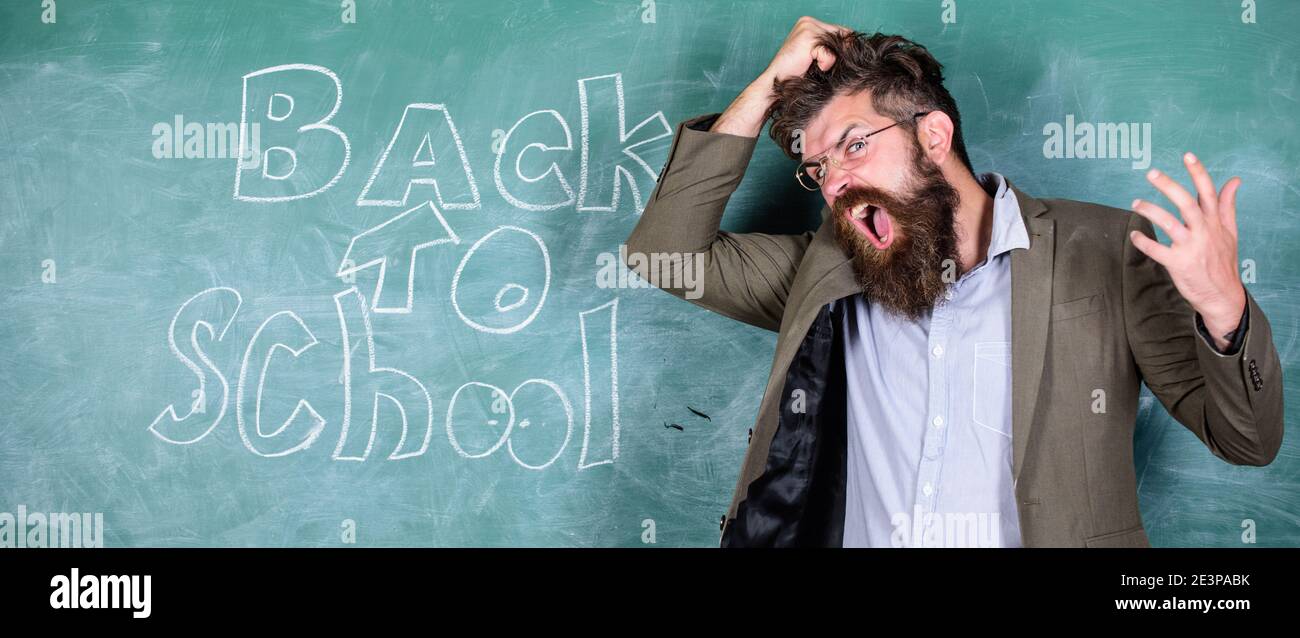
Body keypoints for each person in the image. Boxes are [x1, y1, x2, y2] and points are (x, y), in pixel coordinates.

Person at [626, 17, 1283, 547]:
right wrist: (772, 84)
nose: (836, 182)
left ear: (934, 136)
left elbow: (1248, 441)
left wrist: (1225, 310)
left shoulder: (1105, 251)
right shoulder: (826, 272)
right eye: (818, 169)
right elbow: (664, 255)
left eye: (854, 145)